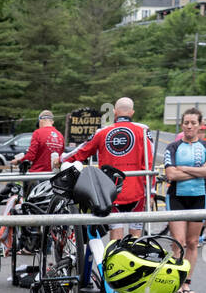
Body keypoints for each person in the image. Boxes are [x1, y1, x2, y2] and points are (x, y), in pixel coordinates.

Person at [63, 98, 153, 240]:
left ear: (114, 112)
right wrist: (151, 192)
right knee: (136, 237)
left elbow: (81, 151)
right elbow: (149, 163)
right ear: (132, 112)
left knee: (115, 236)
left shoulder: (103, 132)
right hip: (137, 192)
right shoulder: (143, 131)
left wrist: (61, 160)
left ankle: (115, 259)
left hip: (111, 190)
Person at [162, 108, 206, 293]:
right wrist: (197, 169)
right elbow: (170, 174)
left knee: (193, 242)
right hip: (176, 197)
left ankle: (186, 282)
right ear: (182, 124)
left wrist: (182, 168)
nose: (189, 126)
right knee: (178, 243)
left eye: (193, 123)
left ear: (200, 125)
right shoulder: (173, 147)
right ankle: (175, 283)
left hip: (199, 197)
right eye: (186, 122)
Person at [12, 110, 65, 177]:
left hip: (38, 174)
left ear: (40, 120)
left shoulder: (38, 133)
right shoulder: (60, 135)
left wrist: (18, 161)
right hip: (54, 175)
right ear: (52, 122)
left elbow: (31, 156)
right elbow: (61, 156)